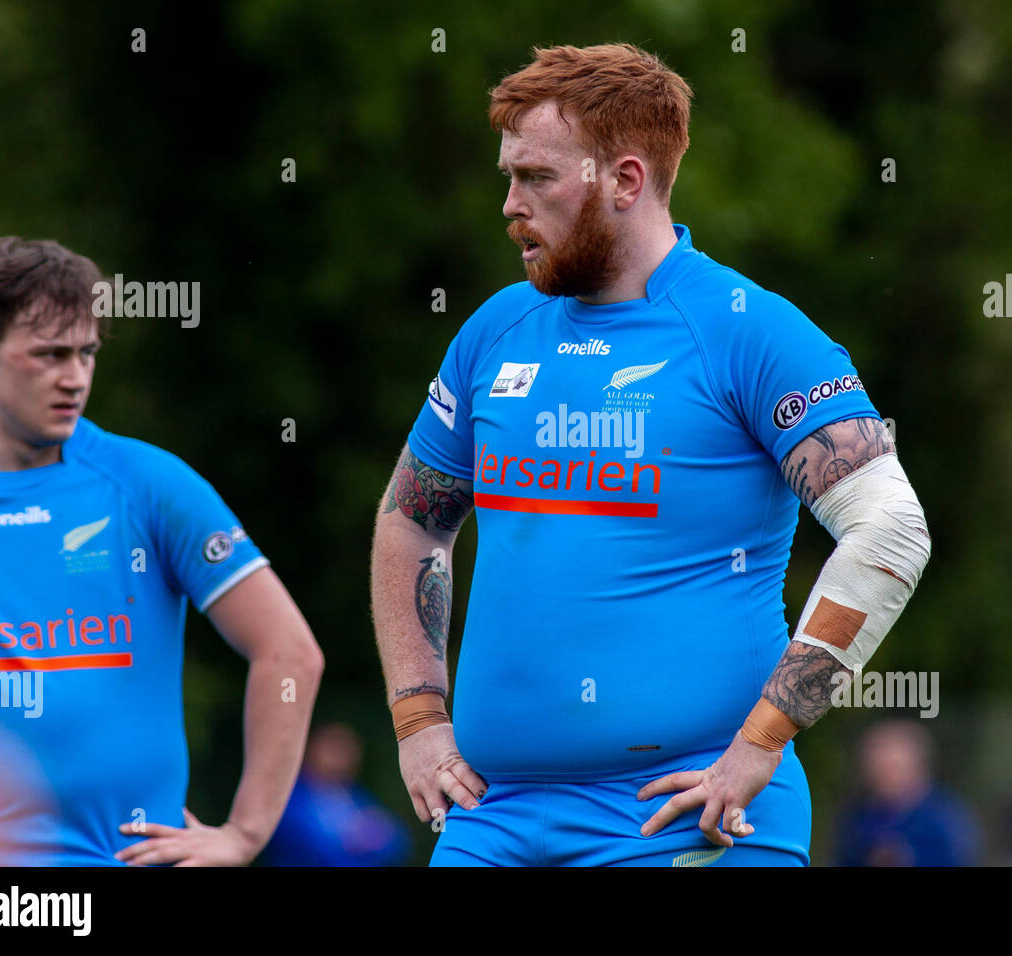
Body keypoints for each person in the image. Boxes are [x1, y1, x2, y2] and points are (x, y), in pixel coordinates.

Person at [371, 43, 930, 867]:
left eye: (537, 178)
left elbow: (890, 532)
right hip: (493, 817)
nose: (510, 205)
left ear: (626, 181)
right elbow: (412, 523)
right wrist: (419, 721)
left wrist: (762, 745)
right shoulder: (495, 329)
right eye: (507, 177)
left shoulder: (748, 328)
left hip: (687, 814)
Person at [0, 236, 324, 865]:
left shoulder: (148, 484)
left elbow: (289, 654)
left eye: (87, 354)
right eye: (50, 355)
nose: (75, 378)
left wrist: (244, 834)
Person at [263, 722, 412, 866]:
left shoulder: (356, 796)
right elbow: (306, 845)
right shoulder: (289, 798)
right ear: (312, 750)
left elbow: (398, 842)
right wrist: (357, 837)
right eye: (333, 750)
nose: (341, 758)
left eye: (347, 750)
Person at [835, 719, 980, 866]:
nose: (883, 778)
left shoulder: (944, 820)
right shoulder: (857, 817)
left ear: (918, 768)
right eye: (876, 768)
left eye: (892, 768)